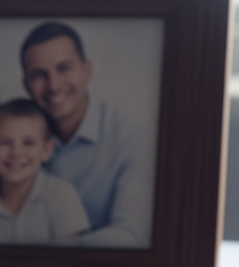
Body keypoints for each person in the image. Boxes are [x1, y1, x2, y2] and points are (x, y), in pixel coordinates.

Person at [19, 22, 152, 248]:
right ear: (26, 86)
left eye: (63, 68)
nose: (53, 85)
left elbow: (131, 235)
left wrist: (43, 256)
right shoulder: (15, 135)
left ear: (87, 70)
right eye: (39, 75)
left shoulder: (134, 138)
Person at [0, 99, 89, 244]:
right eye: (5, 142)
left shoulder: (61, 195)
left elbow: (70, 261)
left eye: (28, 142)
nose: (16, 153)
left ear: (47, 150)